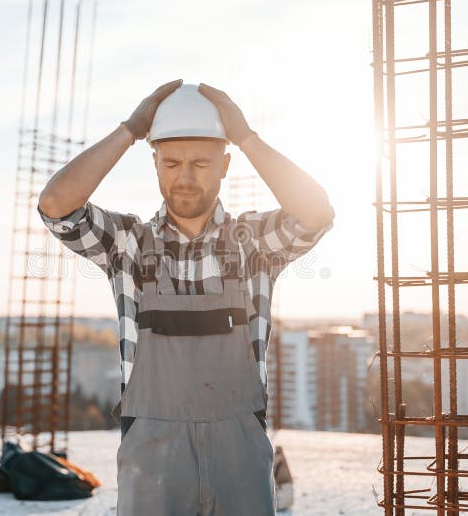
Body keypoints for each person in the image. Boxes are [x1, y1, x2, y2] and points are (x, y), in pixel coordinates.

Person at [37, 79, 334, 515]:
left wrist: (248, 137)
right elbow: (56, 205)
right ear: (154, 163)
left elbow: (316, 212)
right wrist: (128, 131)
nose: (186, 178)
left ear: (225, 165)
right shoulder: (128, 245)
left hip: (240, 451)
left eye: (201, 162)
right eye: (172, 163)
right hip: (152, 454)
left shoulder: (252, 243)